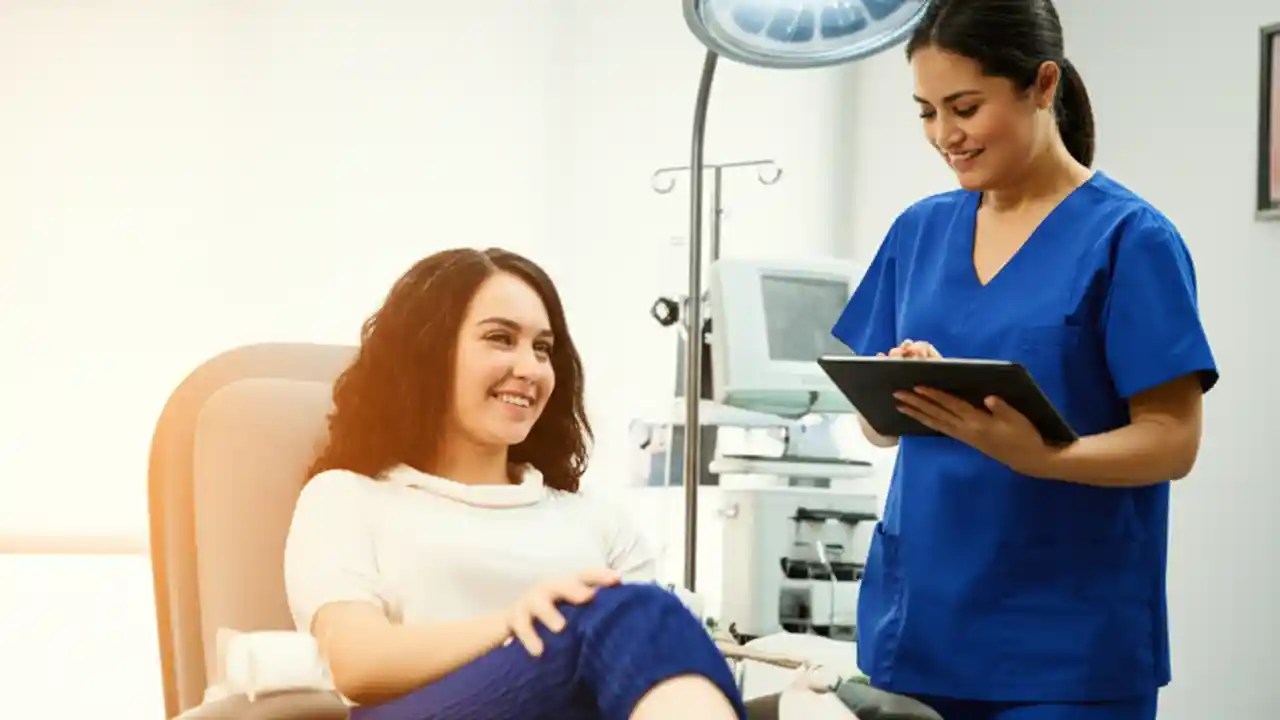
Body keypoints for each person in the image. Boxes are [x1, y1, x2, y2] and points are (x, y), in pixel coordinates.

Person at [829, 2, 1218, 720]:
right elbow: (876, 431)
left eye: (965, 108)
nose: (944, 136)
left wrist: (1044, 457)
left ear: (1042, 85)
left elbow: (1173, 440)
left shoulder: (1130, 239)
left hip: (1066, 651)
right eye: (926, 113)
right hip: (919, 631)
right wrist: (903, 387)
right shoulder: (919, 232)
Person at [283, 247, 747, 720]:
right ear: (428, 354)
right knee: (629, 613)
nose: (530, 368)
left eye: (542, 348)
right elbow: (357, 663)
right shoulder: (346, 497)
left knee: (658, 616)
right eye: (500, 339)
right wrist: (519, 621)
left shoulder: (595, 519)